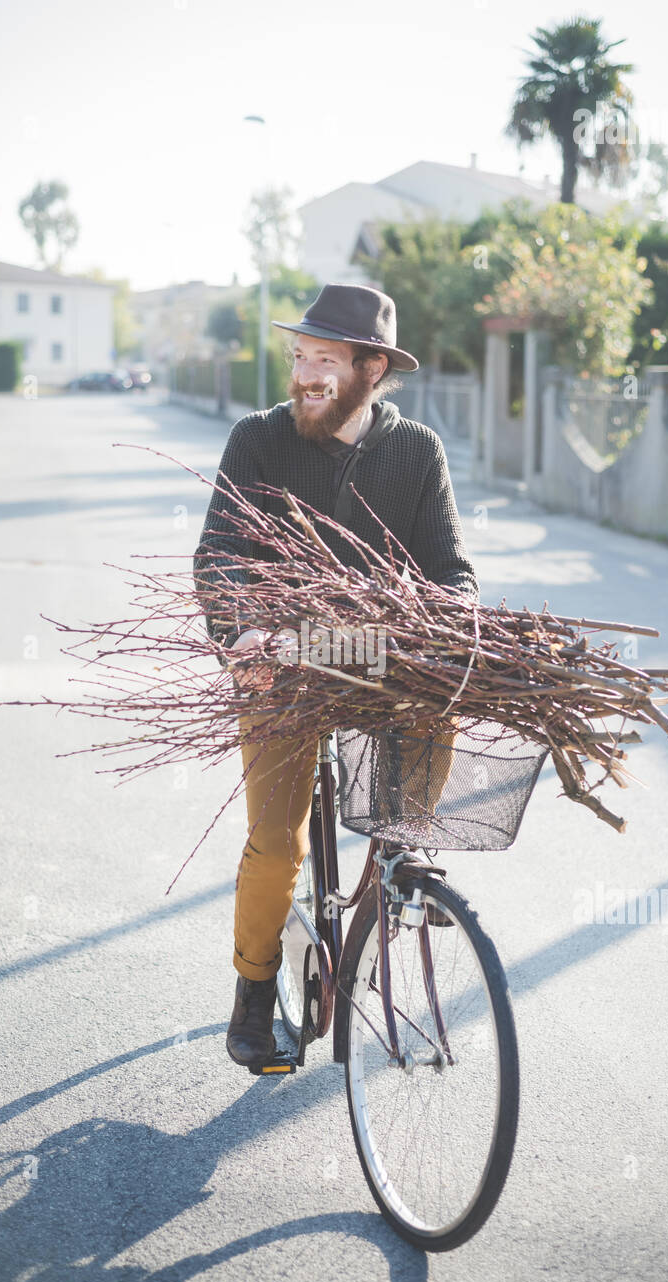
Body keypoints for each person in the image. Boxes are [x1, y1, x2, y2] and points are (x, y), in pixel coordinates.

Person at [193, 283, 479, 1067]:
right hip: (281, 669)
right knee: (276, 843)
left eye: (325, 359)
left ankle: (400, 851)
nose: (306, 373)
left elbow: (452, 571)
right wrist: (241, 632)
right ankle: (254, 992)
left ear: (371, 368)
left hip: (376, 664)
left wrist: (447, 622)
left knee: (436, 704)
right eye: (299, 357)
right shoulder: (258, 440)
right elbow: (218, 554)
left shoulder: (414, 451)